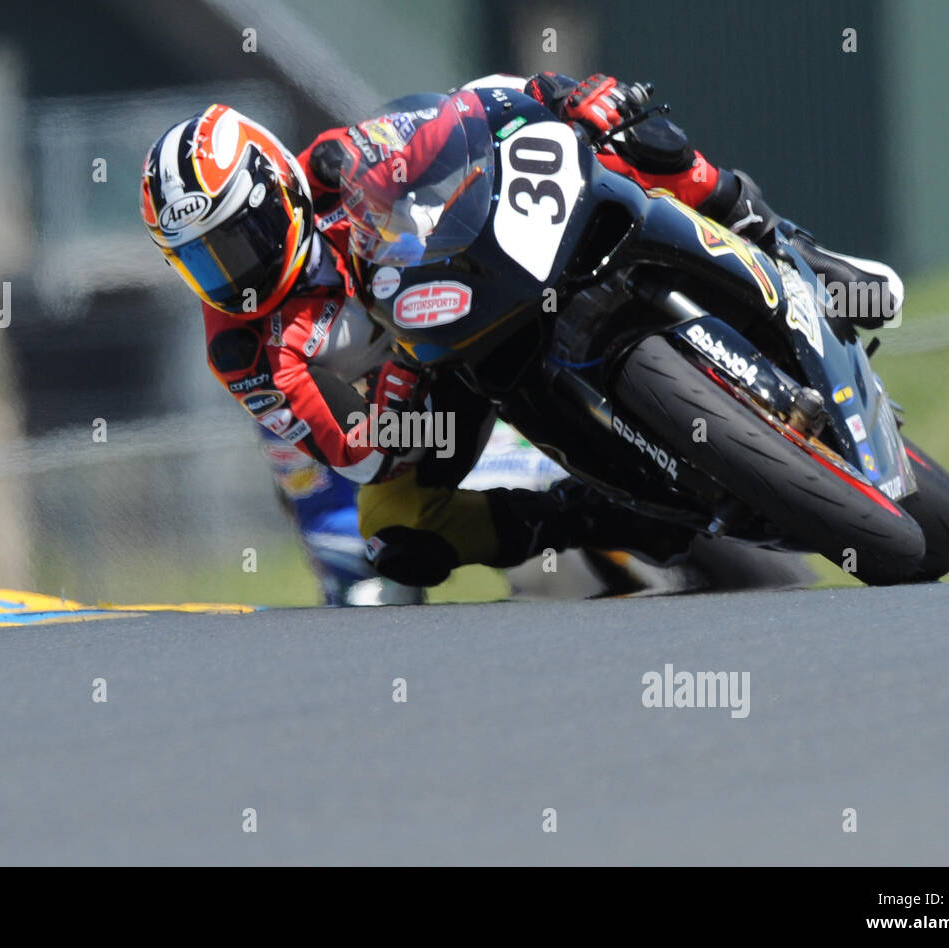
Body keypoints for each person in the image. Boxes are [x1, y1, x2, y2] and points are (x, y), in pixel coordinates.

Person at [139, 72, 902, 589]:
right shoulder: (242, 349)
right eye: (202, 262)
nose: (233, 273)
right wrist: (399, 397)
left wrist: (563, 96)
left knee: (613, 128)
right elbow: (358, 453)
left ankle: (774, 236)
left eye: (239, 238)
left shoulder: (339, 162)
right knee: (395, 534)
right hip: (424, 392)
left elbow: (468, 111)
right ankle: (591, 515)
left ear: (276, 185)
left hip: (476, 267)